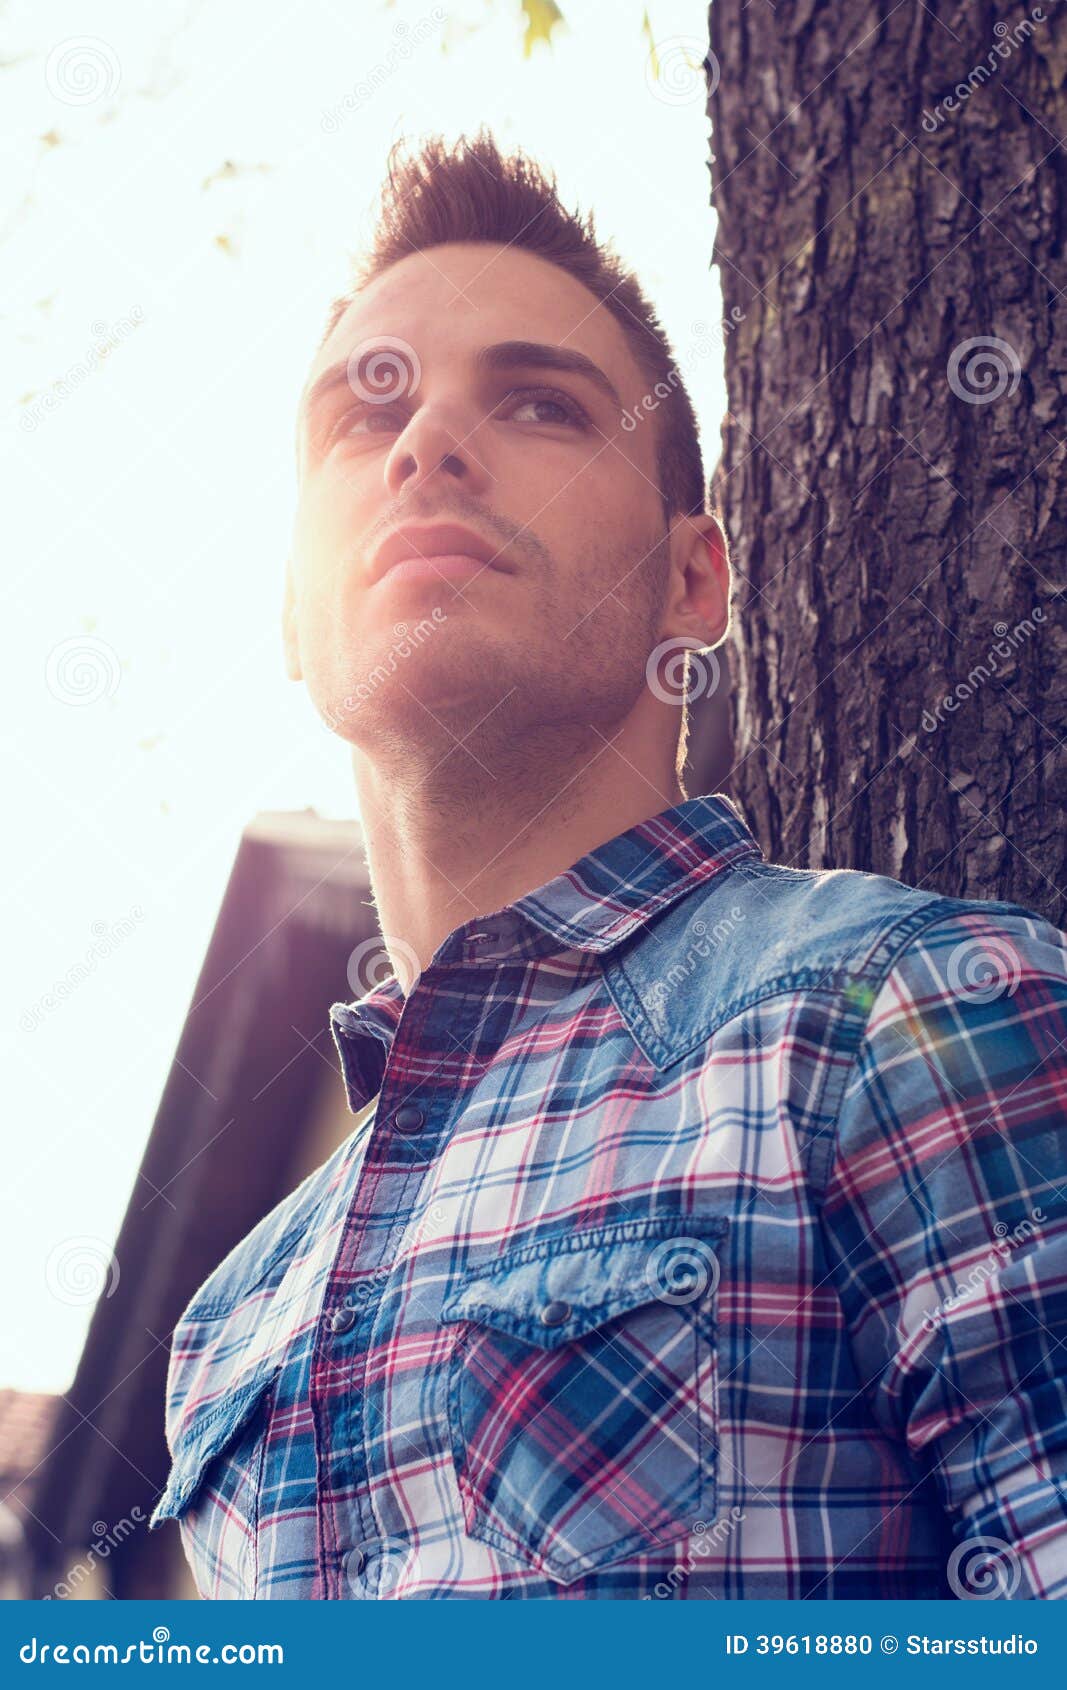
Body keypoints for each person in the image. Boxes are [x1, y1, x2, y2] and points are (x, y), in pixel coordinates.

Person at [148, 130, 1067, 1600]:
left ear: (694, 579)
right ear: (292, 619)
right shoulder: (232, 1323)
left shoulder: (910, 1014)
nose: (424, 443)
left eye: (539, 403)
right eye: (358, 413)